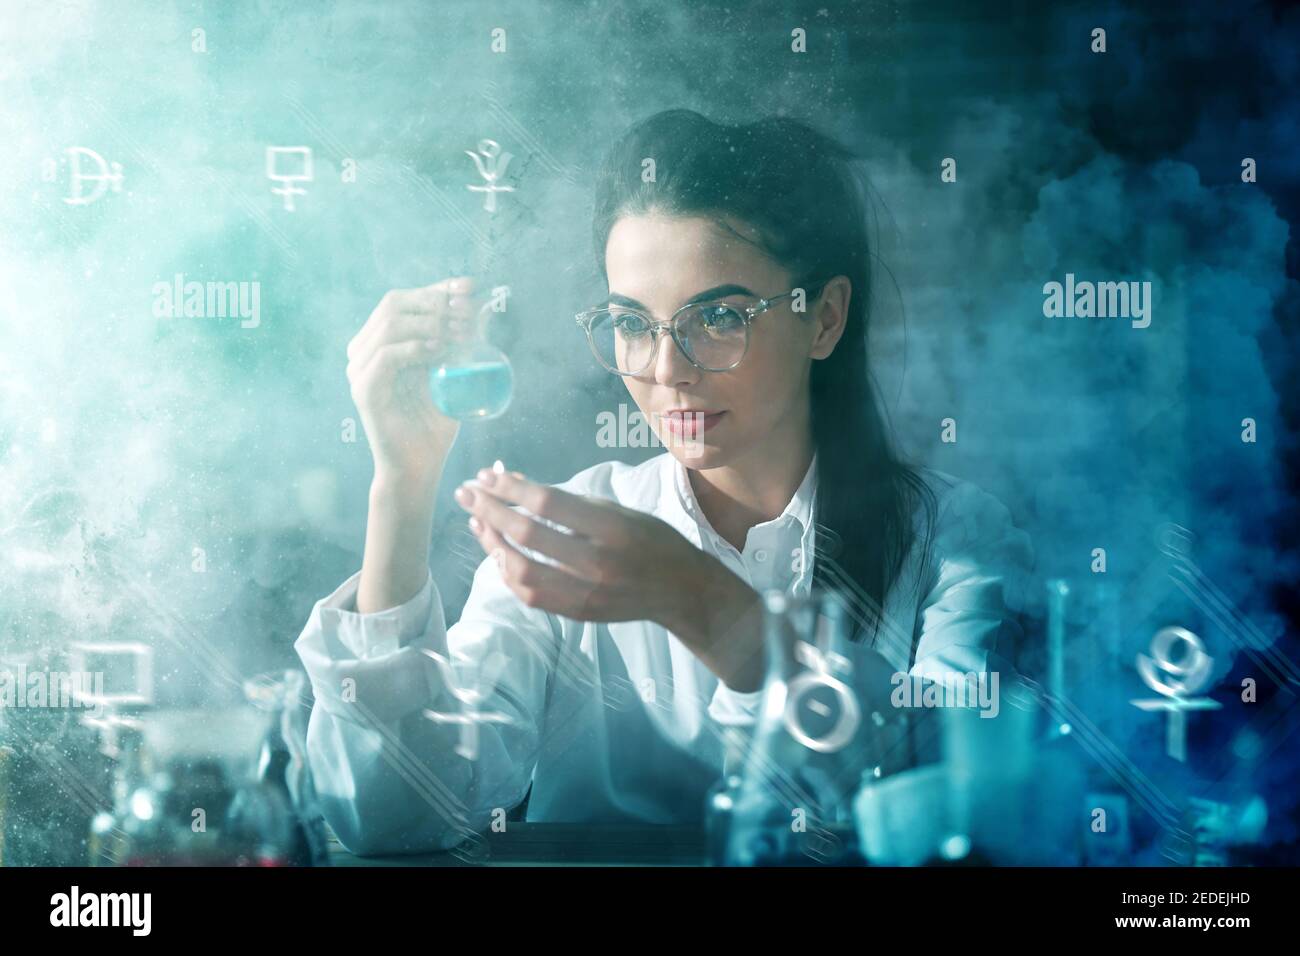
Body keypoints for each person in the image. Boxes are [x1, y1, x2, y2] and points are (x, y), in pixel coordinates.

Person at [293, 109, 1034, 856]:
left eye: (717, 317)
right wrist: (403, 484)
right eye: (633, 323)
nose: (667, 369)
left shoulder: (952, 537)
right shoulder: (580, 527)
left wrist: (706, 605)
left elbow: (962, 799)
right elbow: (396, 817)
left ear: (825, 318)